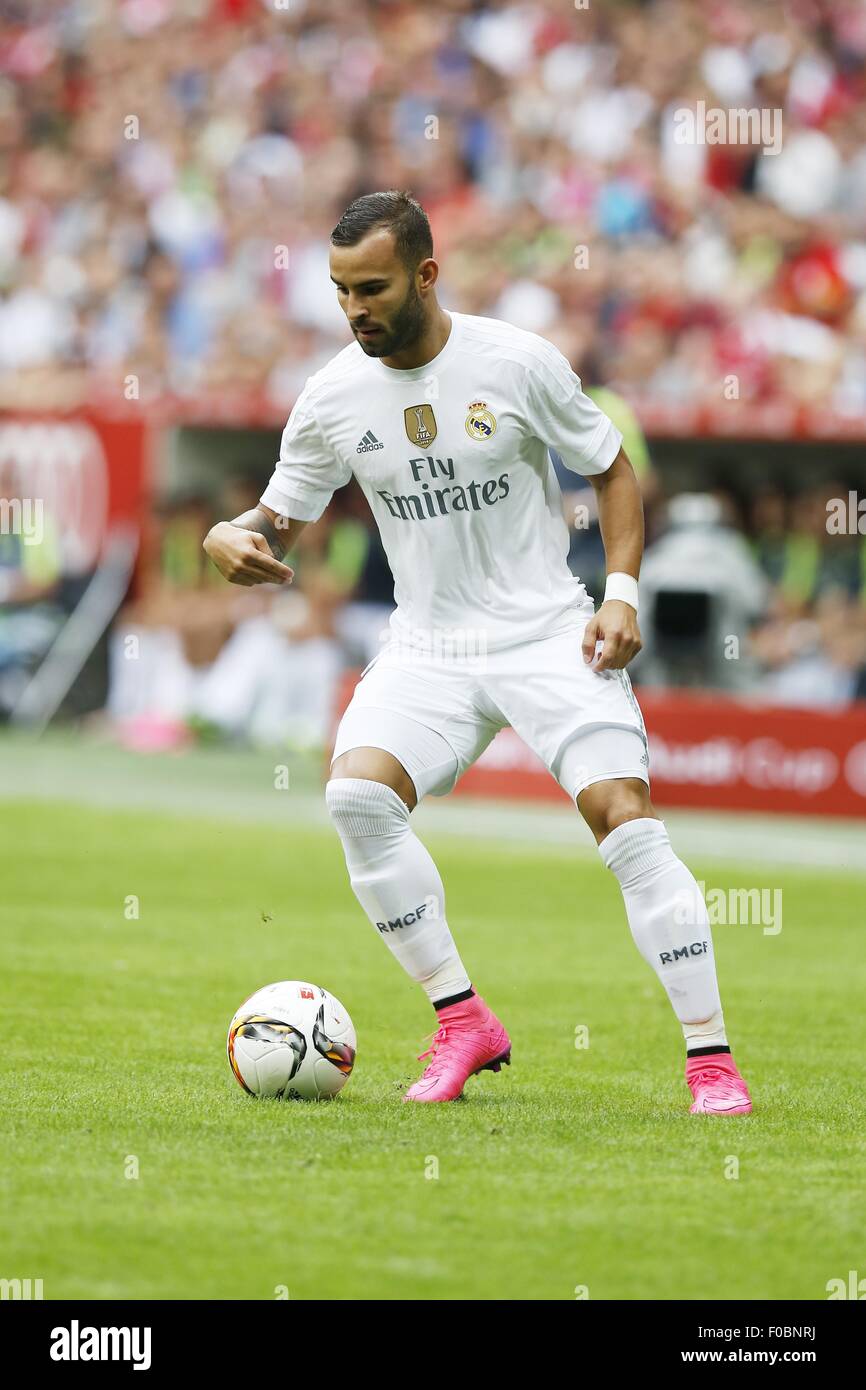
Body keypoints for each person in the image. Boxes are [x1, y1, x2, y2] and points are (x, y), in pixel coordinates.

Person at [204, 190, 752, 1116]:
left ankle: (711, 1063)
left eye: (371, 287)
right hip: (427, 645)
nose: (355, 309)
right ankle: (462, 1019)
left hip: (546, 632)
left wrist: (621, 595)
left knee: (624, 819)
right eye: (340, 291)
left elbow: (610, 468)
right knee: (356, 797)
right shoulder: (334, 395)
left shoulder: (515, 361)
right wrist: (235, 534)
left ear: (424, 273)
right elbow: (280, 519)